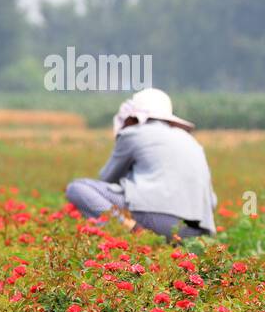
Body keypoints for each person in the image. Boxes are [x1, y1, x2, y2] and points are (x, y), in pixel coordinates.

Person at [65, 88, 217, 240]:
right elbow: (212, 202)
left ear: (133, 117)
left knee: (78, 188)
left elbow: (107, 178)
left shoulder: (133, 134)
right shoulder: (190, 140)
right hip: (197, 231)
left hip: (157, 222)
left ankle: (134, 231)